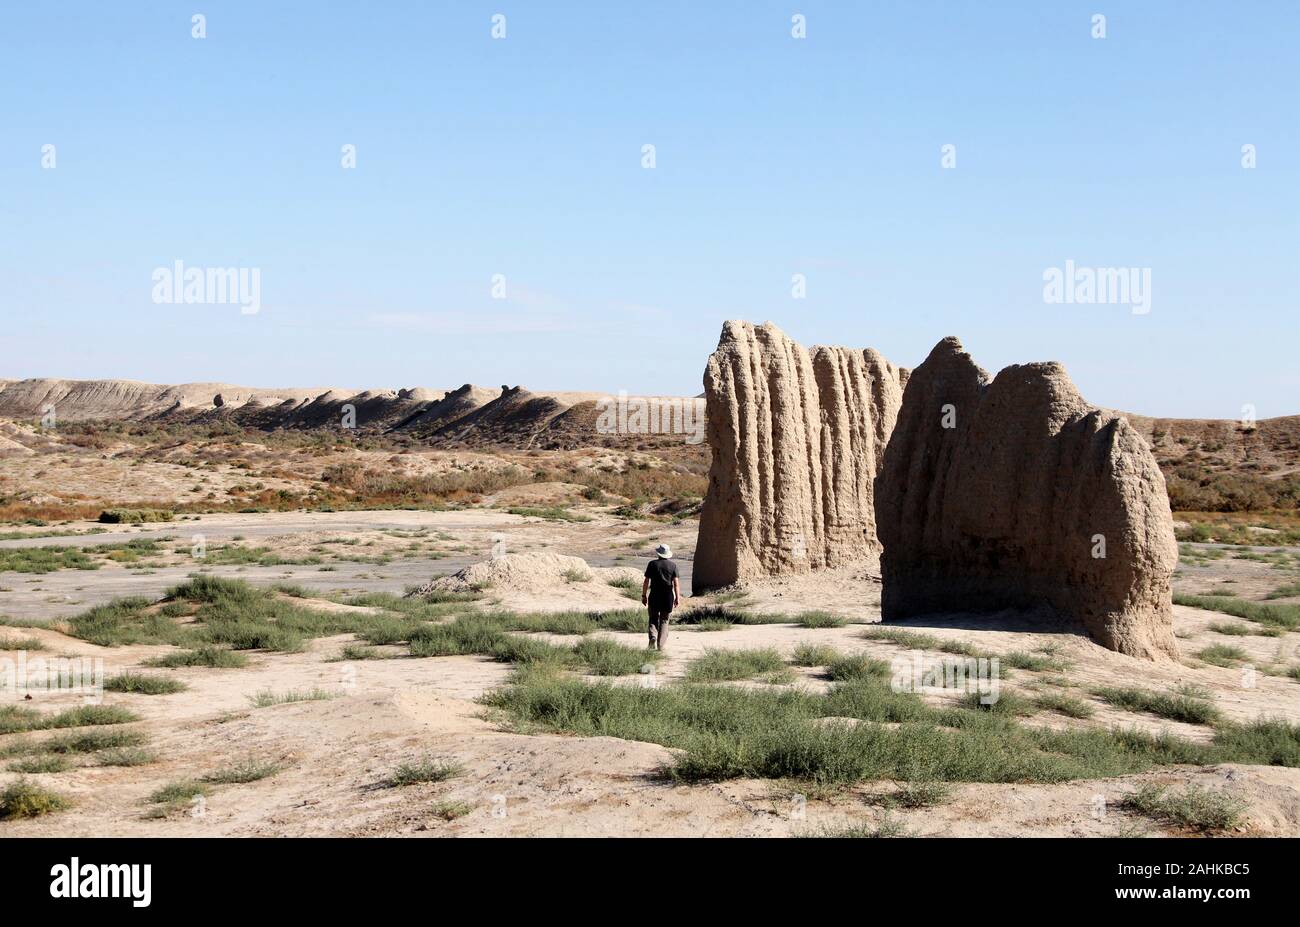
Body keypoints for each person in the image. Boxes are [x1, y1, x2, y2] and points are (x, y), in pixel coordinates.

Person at [641, 543, 680, 651]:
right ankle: (661, 645)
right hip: (667, 596)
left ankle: (653, 636)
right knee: (664, 620)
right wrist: (678, 598)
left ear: (658, 553)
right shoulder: (673, 566)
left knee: (653, 618)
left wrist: (644, 595)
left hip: (654, 595)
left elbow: (646, 581)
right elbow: (676, 583)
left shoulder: (652, 564)